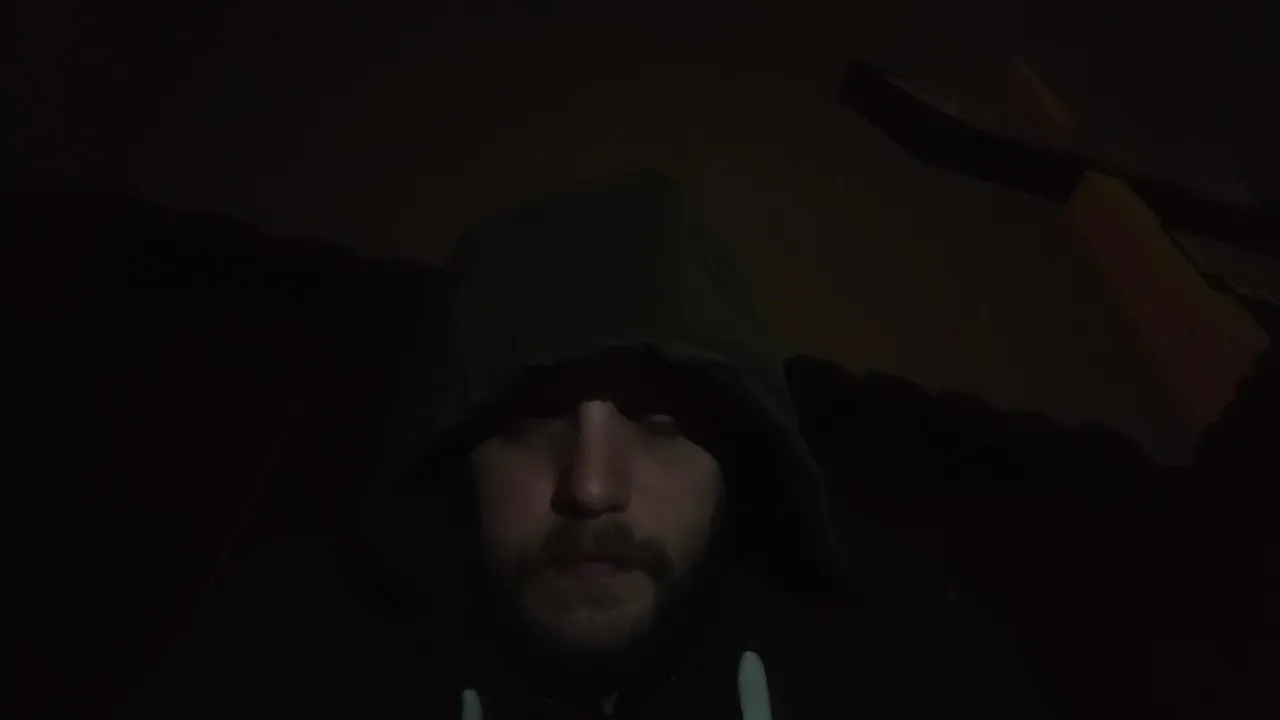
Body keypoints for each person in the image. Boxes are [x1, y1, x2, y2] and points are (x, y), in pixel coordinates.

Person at [141, 171, 1275, 719]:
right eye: (531, 418)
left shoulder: (907, 657)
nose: (592, 485)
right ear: (451, 444)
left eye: (661, 417)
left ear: (745, 442)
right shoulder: (285, 648)